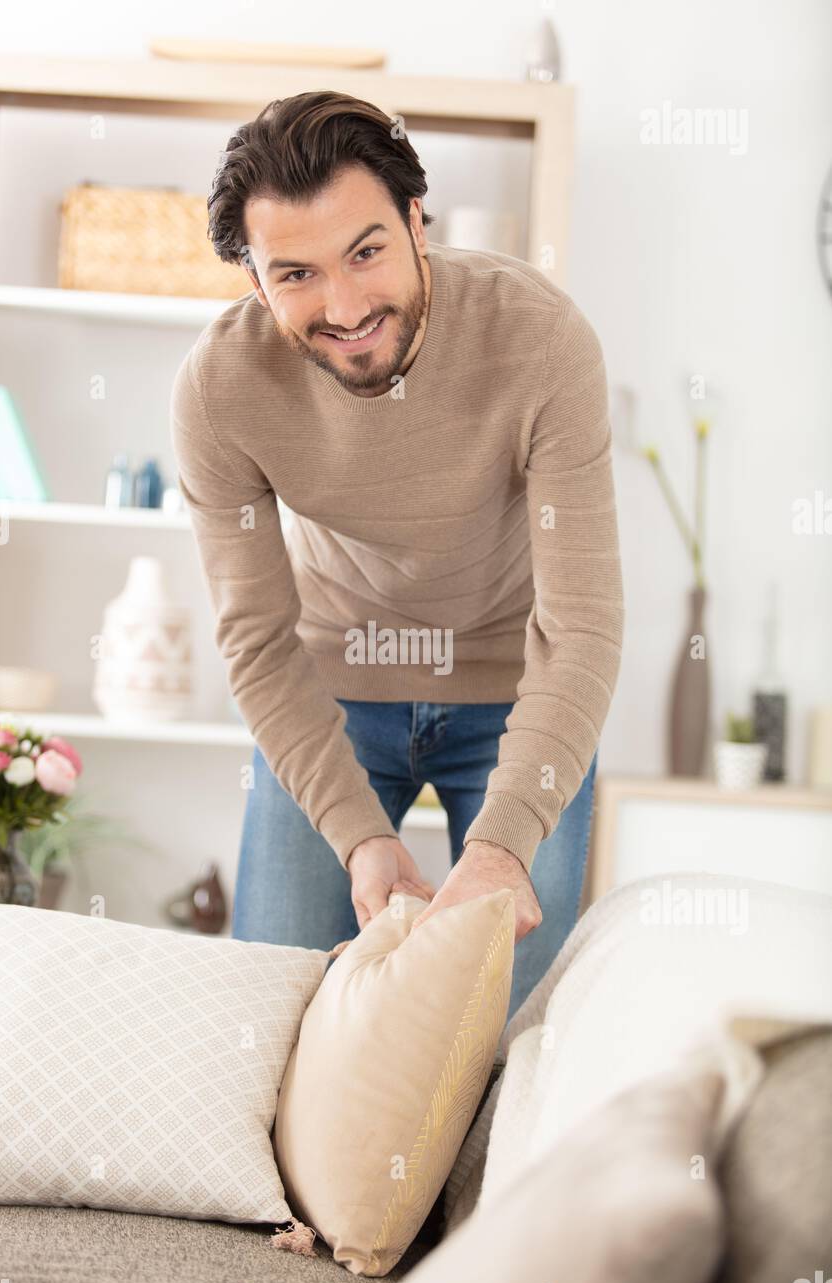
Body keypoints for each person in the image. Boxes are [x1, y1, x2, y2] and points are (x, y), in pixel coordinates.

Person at [170, 90, 624, 1021]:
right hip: (332, 692)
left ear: (418, 221)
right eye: (295, 273)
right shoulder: (221, 389)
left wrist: (501, 847)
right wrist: (359, 839)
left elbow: (581, 625)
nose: (343, 307)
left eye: (366, 251)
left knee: (508, 1034)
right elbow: (256, 641)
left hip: (517, 690)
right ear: (254, 280)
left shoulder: (541, 340)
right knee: (276, 1009)